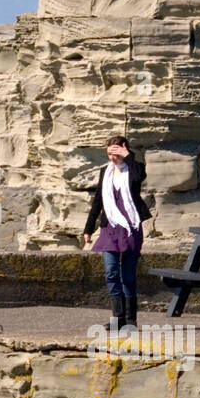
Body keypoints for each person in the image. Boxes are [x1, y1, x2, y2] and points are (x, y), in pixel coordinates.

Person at [82, 135, 151, 332]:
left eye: (115, 153)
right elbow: (98, 201)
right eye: (109, 154)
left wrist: (127, 155)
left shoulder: (135, 167)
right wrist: (88, 228)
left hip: (130, 227)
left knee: (128, 275)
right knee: (111, 272)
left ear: (123, 148)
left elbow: (139, 178)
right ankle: (117, 318)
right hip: (109, 227)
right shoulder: (105, 171)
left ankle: (130, 320)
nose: (112, 158)